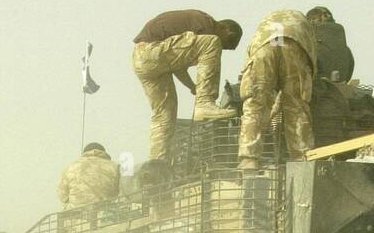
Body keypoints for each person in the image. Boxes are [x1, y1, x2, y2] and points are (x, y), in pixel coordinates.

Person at [132, 9, 242, 163]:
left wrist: (193, 86)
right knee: (211, 43)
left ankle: (157, 164)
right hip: (152, 49)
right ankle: (205, 103)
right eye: (226, 45)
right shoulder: (207, 23)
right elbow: (184, 54)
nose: (221, 50)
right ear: (227, 31)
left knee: (164, 115)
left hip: (143, 59)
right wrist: (203, 96)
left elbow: (176, 63)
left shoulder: (193, 28)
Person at [238, 9, 319, 170]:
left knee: (254, 106)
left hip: (264, 45)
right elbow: (307, 70)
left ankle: (249, 160)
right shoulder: (307, 29)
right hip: (295, 44)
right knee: (297, 108)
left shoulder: (269, 21)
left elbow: (255, 82)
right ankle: (302, 161)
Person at [57, 142, 121, 208]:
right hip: (104, 214)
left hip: (75, 214)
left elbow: (63, 197)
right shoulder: (115, 167)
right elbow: (122, 192)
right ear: (104, 153)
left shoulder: (70, 168)